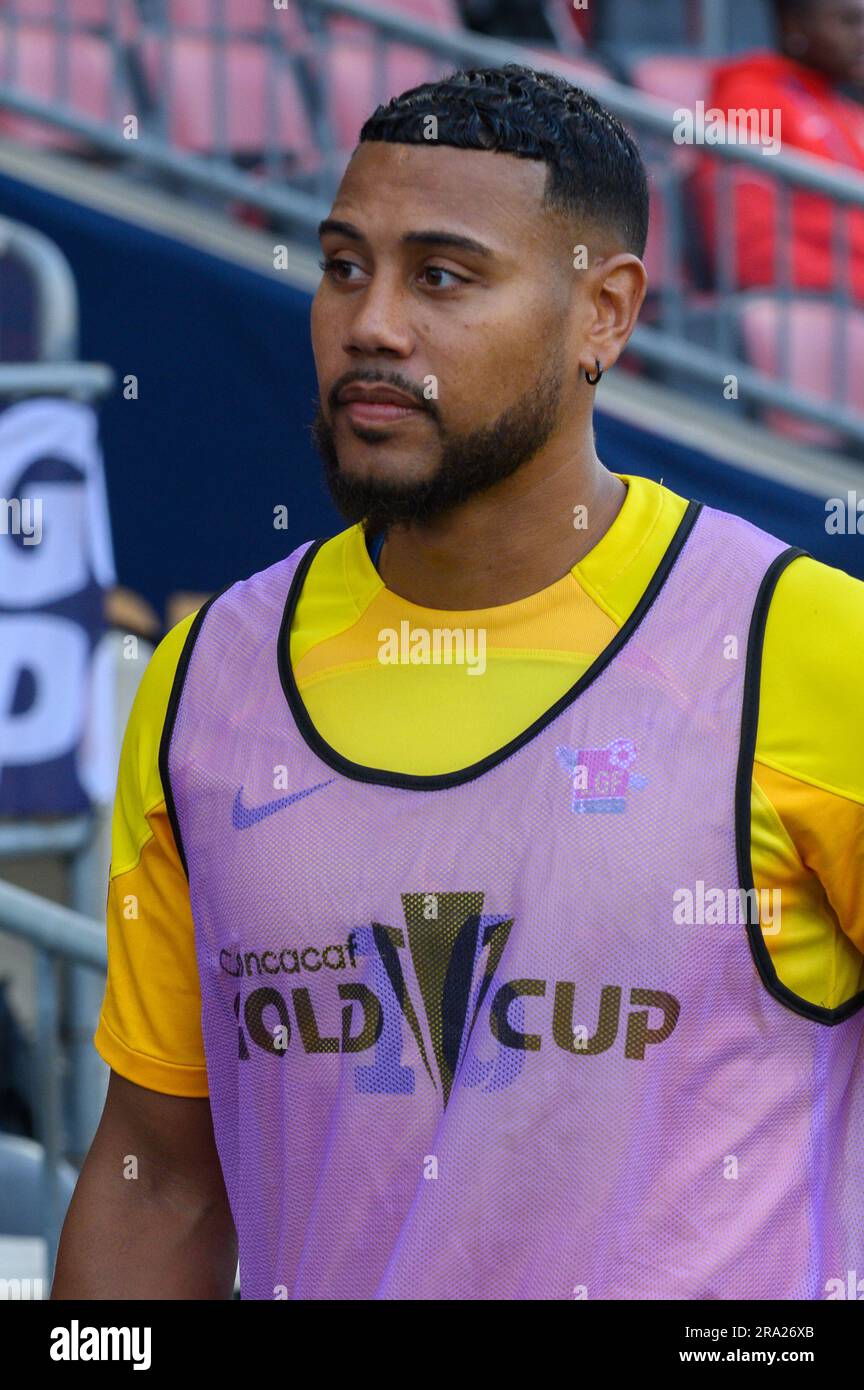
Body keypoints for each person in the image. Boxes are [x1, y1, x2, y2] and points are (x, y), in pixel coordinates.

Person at [52, 64, 864, 1301]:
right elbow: (157, 1178)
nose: (372, 323)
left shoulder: (806, 647)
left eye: (441, 274)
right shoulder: (210, 672)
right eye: (341, 267)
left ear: (605, 313)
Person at [695, 0, 864, 299]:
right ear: (794, 27)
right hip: (814, 311)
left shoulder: (844, 107)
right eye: (849, 22)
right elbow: (750, 251)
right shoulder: (747, 97)